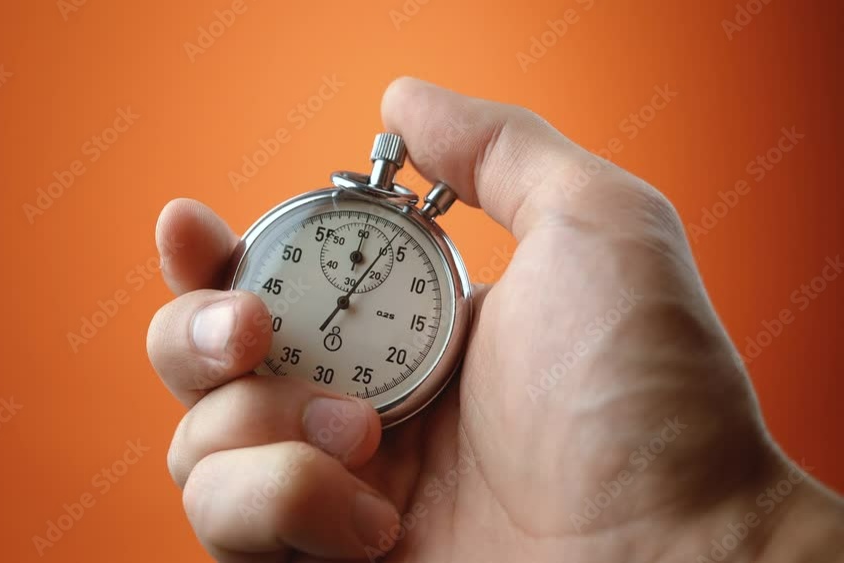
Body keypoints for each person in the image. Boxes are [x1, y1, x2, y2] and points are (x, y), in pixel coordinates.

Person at [147, 78, 844, 562]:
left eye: (364, 280)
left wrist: (698, 525)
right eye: (342, 272)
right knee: (236, 348)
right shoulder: (306, 247)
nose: (347, 296)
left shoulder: (445, 296)